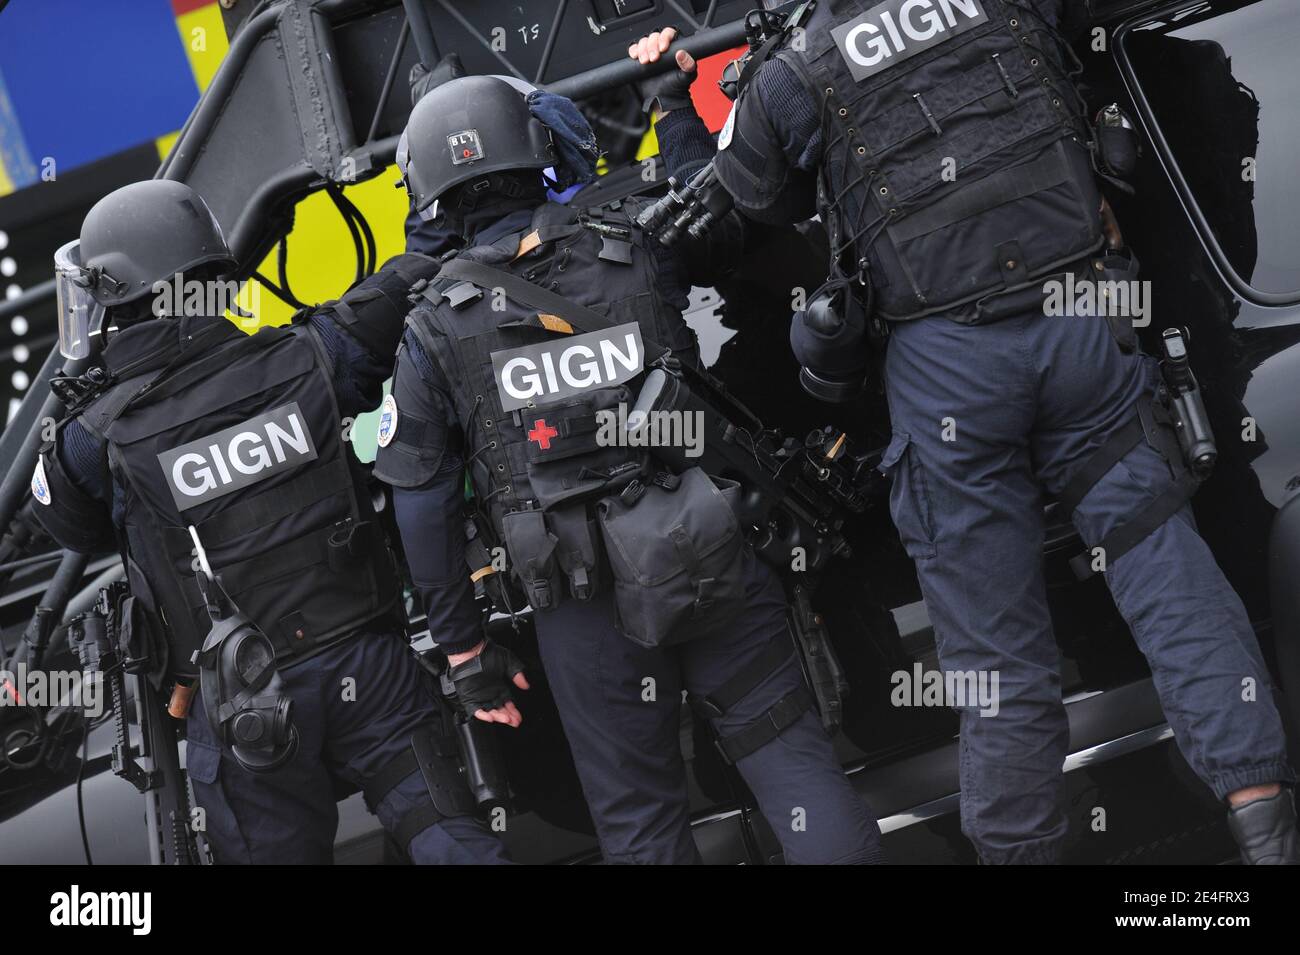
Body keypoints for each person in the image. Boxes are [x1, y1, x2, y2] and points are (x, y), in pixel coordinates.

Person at [629, 1, 1297, 866]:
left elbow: (730, 214)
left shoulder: (796, 71)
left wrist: (673, 100)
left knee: (997, 659)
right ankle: (1267, 832)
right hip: (1085, 319)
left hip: (951, 373)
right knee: (1175, 587)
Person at [373, 73, 886, 864]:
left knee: (642, 827)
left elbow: (420, 506)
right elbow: (727, 214)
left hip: (582, 606)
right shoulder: (635, 242)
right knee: (798, 772)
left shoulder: (434, 328)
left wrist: (466, 651)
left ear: (429, 191)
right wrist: (671, 104)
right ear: (534, 146)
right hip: (707, 548)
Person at [31, 178, 508, 865]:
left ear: (120, 297)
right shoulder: (319, 352)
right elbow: (414, 272)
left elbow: (70, 523)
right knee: (448, 837)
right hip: (371, 670)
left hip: (242, 704)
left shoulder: (95, 438)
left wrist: (88, 375)